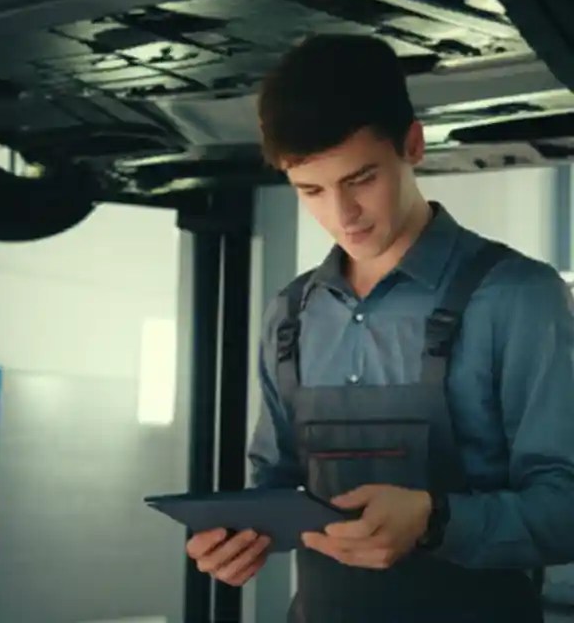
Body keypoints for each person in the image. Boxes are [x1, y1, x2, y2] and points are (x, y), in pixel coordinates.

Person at [184, 34, 574, 621]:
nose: (342, 216)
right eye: (311, 190)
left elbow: (565, 505)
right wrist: (241, 535)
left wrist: (434, 519)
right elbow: (277, 482)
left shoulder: (519, 296)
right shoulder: (290, 315)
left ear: (412, 144)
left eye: (360, 179)